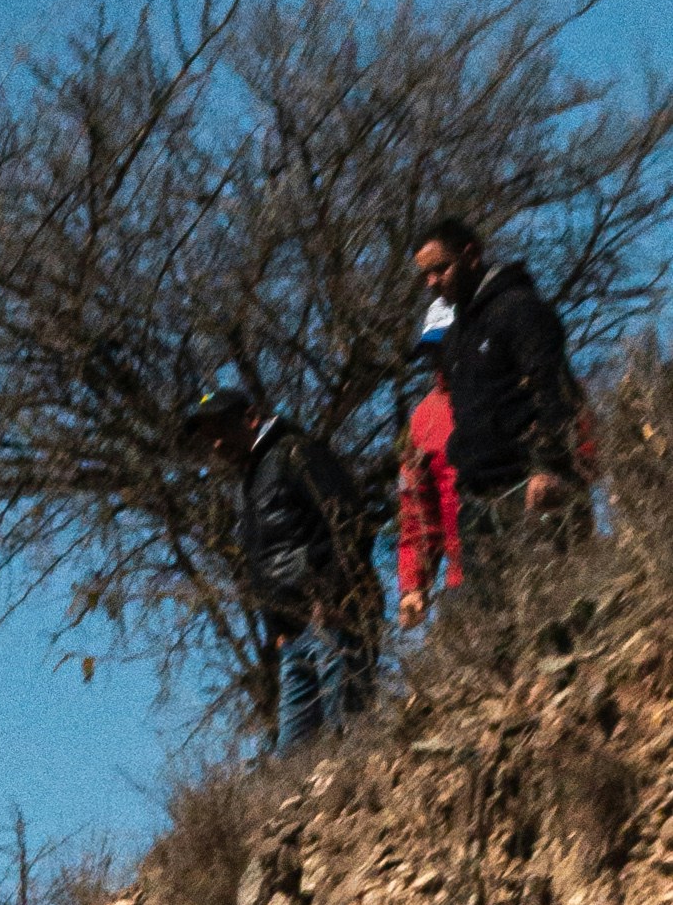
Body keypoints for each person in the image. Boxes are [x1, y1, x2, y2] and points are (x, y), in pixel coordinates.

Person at [180, 379, 378, 749]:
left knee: (351, 737)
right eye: (208, 437)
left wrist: (335, 596)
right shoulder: (245, 486)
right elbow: (263, 562)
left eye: (221, 430)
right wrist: (277, 631)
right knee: (293, 758)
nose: (216, 444)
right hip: (293, 635)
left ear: (251, 417)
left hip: (332, 619)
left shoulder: (296, 453)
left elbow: (349, 521)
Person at [412, 215, 592, 589]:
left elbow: (554, 390)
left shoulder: (519, 308)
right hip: (480, 503)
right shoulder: (454, 337)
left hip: (532, 485)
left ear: (471, 255)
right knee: (499, 633)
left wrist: (549, 467)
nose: (432, 282)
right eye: (425, 275)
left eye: (440, 268)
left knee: (564, 607)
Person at [395, 309, 459, 629]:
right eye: (432, 350)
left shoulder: (512, 381)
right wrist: (413, 586)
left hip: (538, 533)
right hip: (465, 572)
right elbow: (418, 516)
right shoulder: (423, 419)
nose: (440, 357)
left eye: (447, 344)